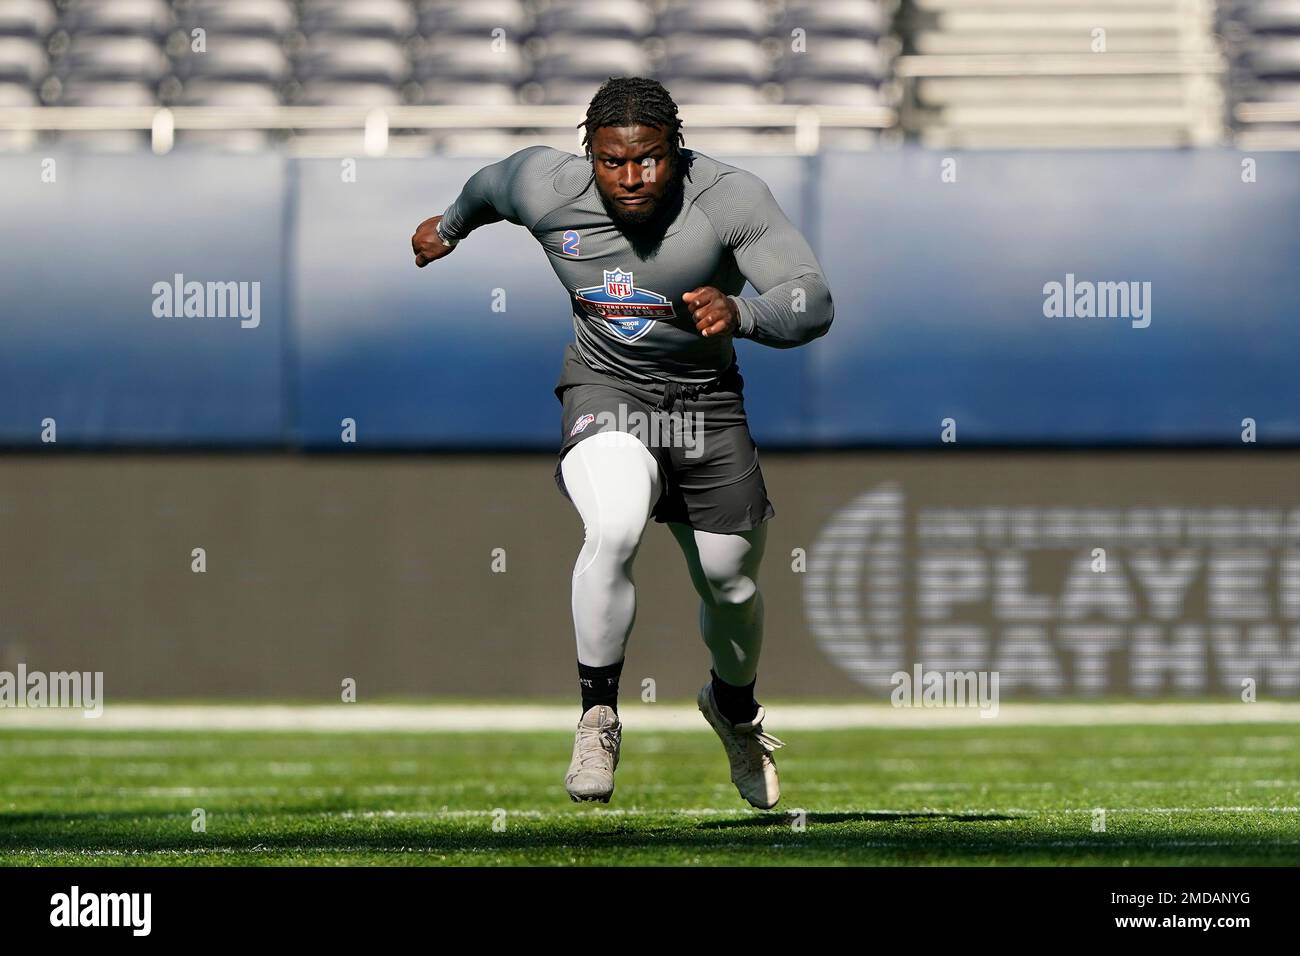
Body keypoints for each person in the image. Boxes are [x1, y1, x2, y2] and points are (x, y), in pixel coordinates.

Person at [411, 77, 833, 809]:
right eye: (614, 163)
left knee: (730, 586)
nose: (633, 178)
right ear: (589, 154)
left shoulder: (729, 197)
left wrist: (744, 310)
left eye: (651, 160)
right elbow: (486, 188)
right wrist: (448, 228)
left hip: (706, 406)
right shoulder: (543, 184)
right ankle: (598, 715)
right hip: (607, 390)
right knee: (612, 528)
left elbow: (813, 300)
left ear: (677, 150)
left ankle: (734, 709)